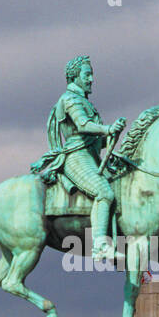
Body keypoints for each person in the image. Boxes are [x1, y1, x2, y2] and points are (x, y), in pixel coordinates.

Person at [34, 55, 127, 260]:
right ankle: (100, 246)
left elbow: (94, 139)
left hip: (89, 156)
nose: (91, 79)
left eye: (92, 74)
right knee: (104, 193)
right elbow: (83, 125)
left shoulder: (85, 101)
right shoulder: (69, 99)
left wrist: (112, 136)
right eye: (87, 74)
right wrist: (107, 128)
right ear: (74, 77)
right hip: (76, 158)